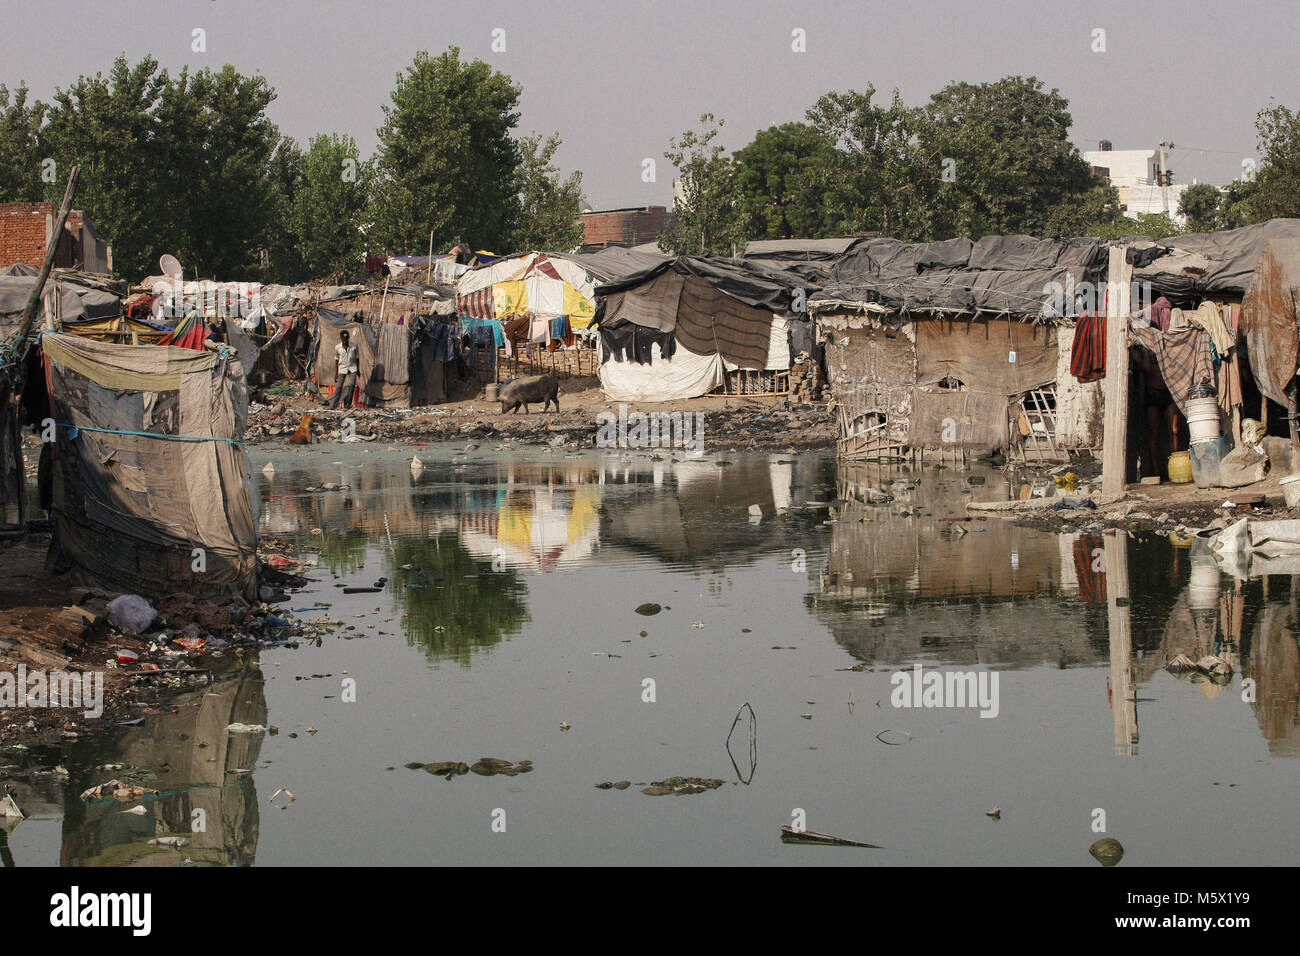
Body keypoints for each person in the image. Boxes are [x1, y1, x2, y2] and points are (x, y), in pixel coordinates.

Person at [328, 330, 359, 409]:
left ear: (348, 338)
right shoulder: (337, 347)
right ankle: (334, 405)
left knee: (352, 385)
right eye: (343, 339)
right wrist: (336, 373)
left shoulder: (354, 346)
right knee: (339, 387)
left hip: (352, 367)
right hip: (342, 368)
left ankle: (347, 404)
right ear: (341, 339)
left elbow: (357, 358)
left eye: (346, 339)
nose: (345, 341)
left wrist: (358, 369)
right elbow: (336, 359)